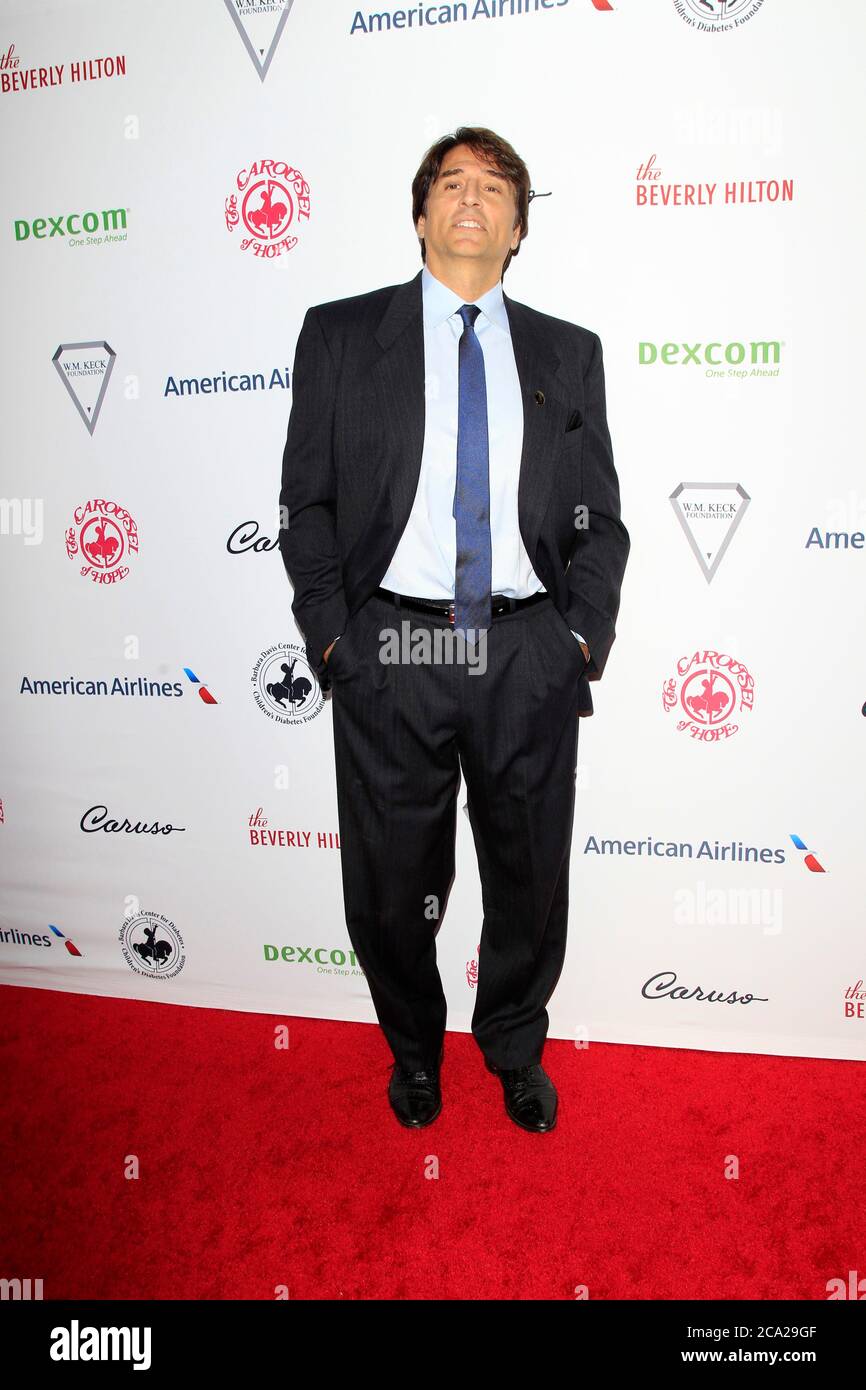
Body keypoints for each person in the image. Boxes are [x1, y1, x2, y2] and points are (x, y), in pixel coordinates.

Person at [279, 126, 629, 1133]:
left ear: (517, 227)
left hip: (523, 650)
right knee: (392, 882)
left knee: (527, 873)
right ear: (421, 212)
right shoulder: (341, 337)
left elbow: (596, 517)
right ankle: (414, 1050)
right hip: (392, 646)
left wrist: (574, 640)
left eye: (494, 187)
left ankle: (512, 1041)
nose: (471, 198)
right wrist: (335, 639)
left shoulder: (569, 354)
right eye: (450, 182)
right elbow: (307, 503)